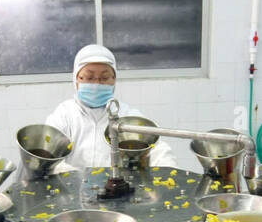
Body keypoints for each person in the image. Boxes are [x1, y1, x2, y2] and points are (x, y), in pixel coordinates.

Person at [47, 44, 179, 171]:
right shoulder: (64, 115)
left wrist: (167, 172)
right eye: (89, 77)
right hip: (73, 190)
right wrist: (79, 178)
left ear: (114, 80)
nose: (97, 83)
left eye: (104, 78)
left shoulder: (127, 115)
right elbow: (48, 158)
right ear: (76, 79)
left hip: (120, 191)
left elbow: (158, 151)